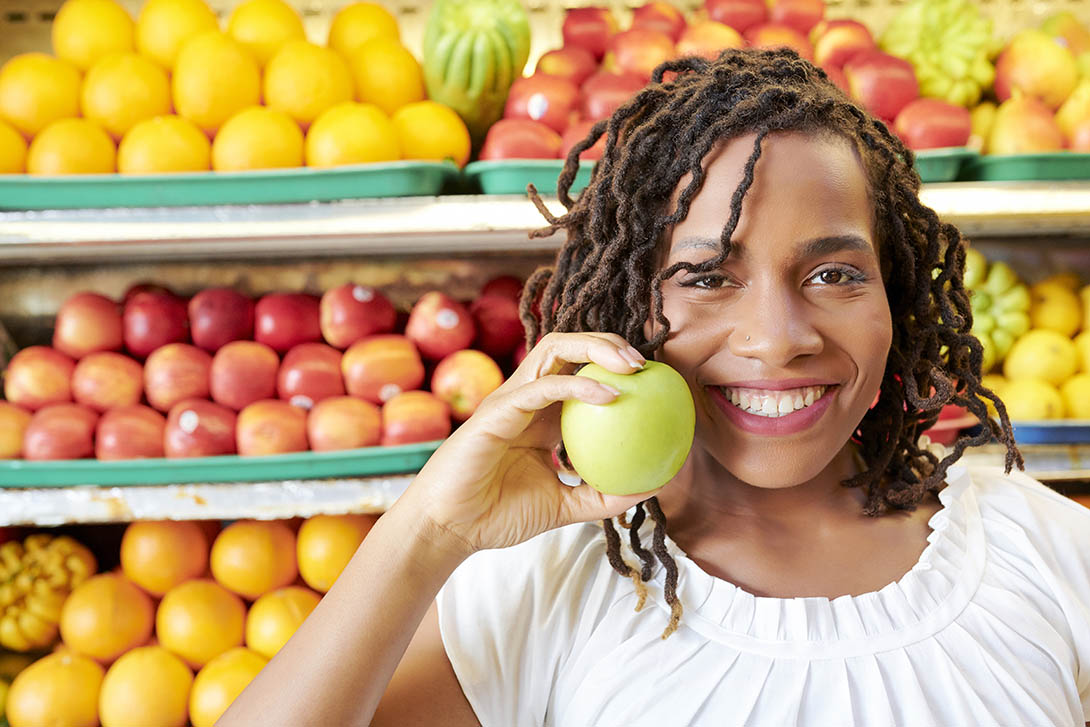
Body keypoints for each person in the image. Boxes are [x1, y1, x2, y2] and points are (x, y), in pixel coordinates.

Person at [222, 48, 1090, 726]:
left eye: (832, 275)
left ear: (894, 301)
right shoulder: (550, 584)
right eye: (709, 277)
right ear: (629, 309)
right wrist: (425, 532)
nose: (780, 339)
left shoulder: (1042, 552)